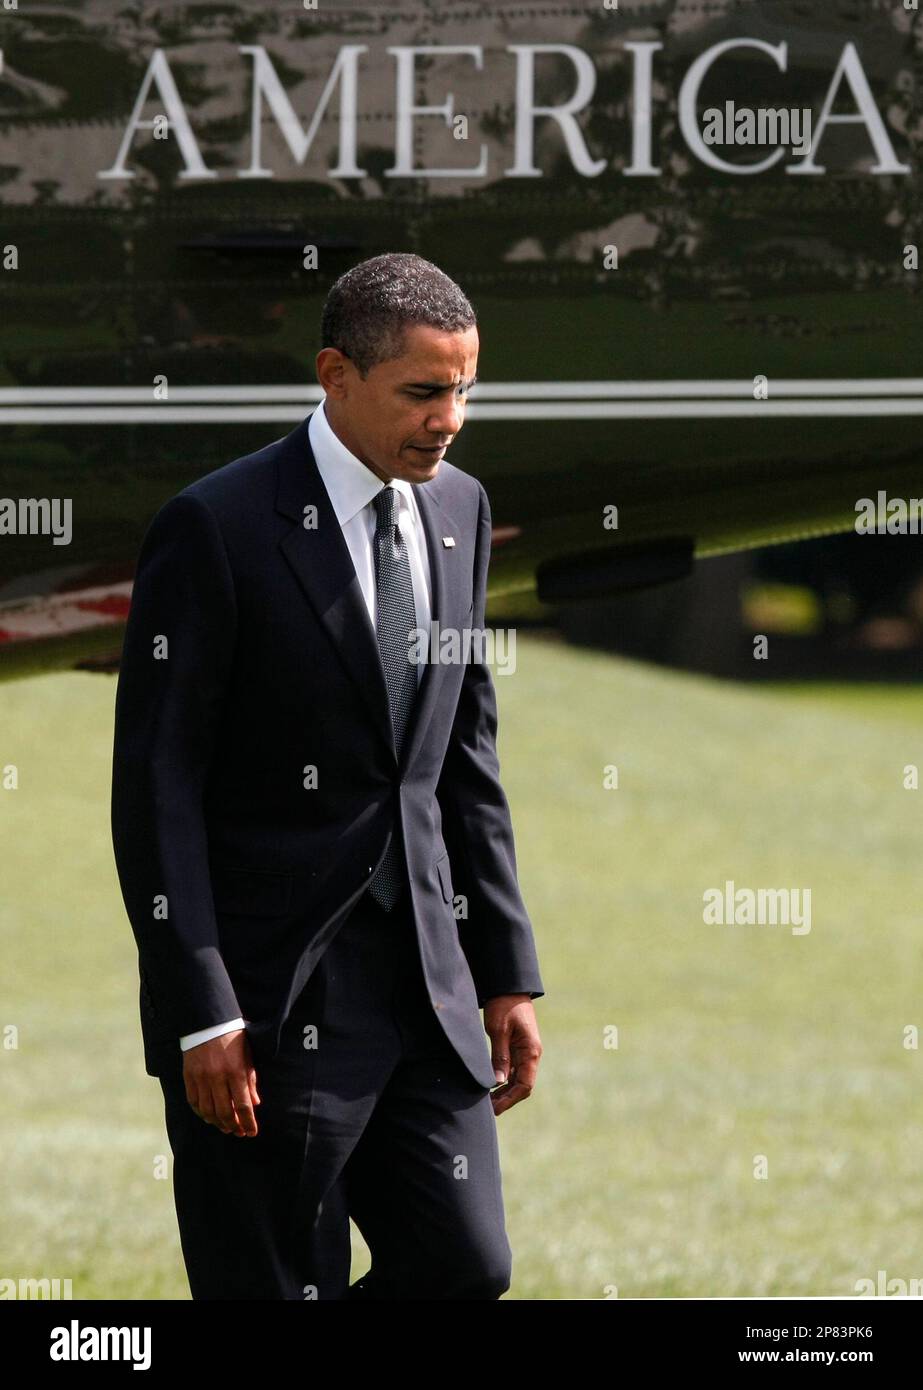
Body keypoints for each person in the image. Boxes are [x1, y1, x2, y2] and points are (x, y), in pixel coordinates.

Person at [110, 252, 545, 1300]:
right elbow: (155, 789)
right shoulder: (215, 527)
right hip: (265, 1004)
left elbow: (461, 762)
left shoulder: (461, 512)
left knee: (464, 1264)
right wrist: (200, 1009)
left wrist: (504, 968)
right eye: (422, 391)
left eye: (463, 389)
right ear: (334, 375)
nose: (449, 418)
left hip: (425, 995)